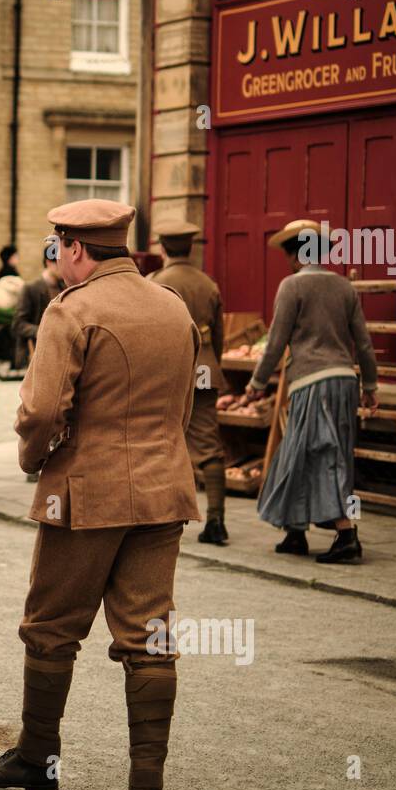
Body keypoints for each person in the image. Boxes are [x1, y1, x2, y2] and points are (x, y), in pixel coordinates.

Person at [0, 199, 199, 790]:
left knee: (50, 629)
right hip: (162, 491)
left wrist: (32, 457)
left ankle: (36, 762)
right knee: (149, 634)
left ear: (72, 248)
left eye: (58, 247)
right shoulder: (173, 307)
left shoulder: (72, 310)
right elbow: (183, 404)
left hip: (86, 493)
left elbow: (41, 412)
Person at [240, 219, 379, 564]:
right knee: (300, 453)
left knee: (320, 455)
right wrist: (371, 386)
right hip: (345, 380)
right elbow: (363, 342)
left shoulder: (291, 286)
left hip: (311, 383)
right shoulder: (345, 287)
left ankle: (347, 534)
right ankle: (295, 532)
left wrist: (256, 384)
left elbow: (276, 341)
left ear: (297, 255)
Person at [151, 219, 228, 546]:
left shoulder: (154, 282)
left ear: (164, 247)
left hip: (168, 370)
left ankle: (165, 514)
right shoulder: (207, 283)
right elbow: (220, 336)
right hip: (204, 367)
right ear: (191, 247)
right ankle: (216, 520)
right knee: (208, 442)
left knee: (163, 440)